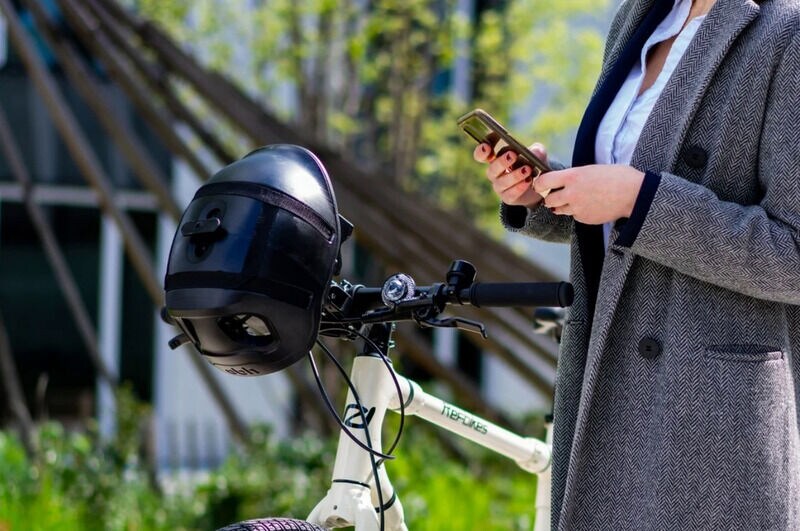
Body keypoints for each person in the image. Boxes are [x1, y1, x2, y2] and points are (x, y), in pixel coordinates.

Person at [474, 0, 800, 529]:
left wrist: (640, 198)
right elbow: (617, 219)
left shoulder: (786, 30)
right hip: (608, 374)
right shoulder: (640, 15)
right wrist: (541, 193)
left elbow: (793, 254)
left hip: (709, 416)